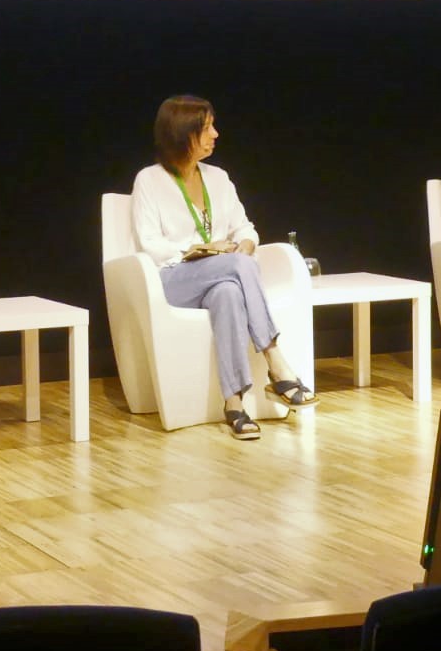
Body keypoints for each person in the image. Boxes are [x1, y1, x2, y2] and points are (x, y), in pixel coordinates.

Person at [130, 95, 316, 441]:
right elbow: (150, 244)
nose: (215, 134)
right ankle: (277, 363)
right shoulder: (149, 181)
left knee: (229, 292)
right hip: (174, 279)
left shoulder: (218, 177)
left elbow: (245, 227)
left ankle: (234, 404)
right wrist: (199, 250)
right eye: (206, 128)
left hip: (223, 275)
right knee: (236, 265)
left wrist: (245, 243)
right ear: (181, 133)